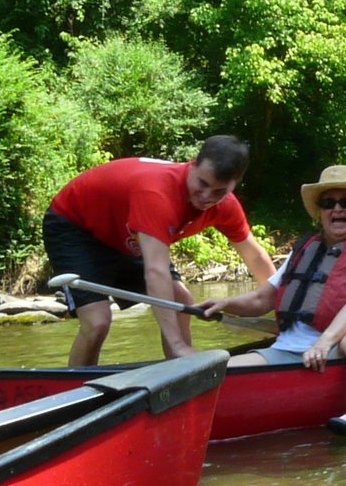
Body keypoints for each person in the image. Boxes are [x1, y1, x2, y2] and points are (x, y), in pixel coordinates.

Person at [45, 135, 276, 366]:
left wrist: (286, 310)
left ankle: (182, 371)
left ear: (234, 185)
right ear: (192, 163)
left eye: (219, 191)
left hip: (126, 233)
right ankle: (78, 389)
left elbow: (254, 256)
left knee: (182, 299)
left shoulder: (226, 206)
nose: (206, 197)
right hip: (76, 226)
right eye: (202, 184)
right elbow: (156, 271)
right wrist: (177, 344)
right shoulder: (158, 194)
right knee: (97, 322)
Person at [196, 165, 346, 437]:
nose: (337, 209)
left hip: (341, 350)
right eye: (328, 203)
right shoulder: (304, 250)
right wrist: (224, 304)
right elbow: (262, 299)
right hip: (287, 349)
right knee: (209, 374)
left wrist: (323, 343)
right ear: (321, 213)